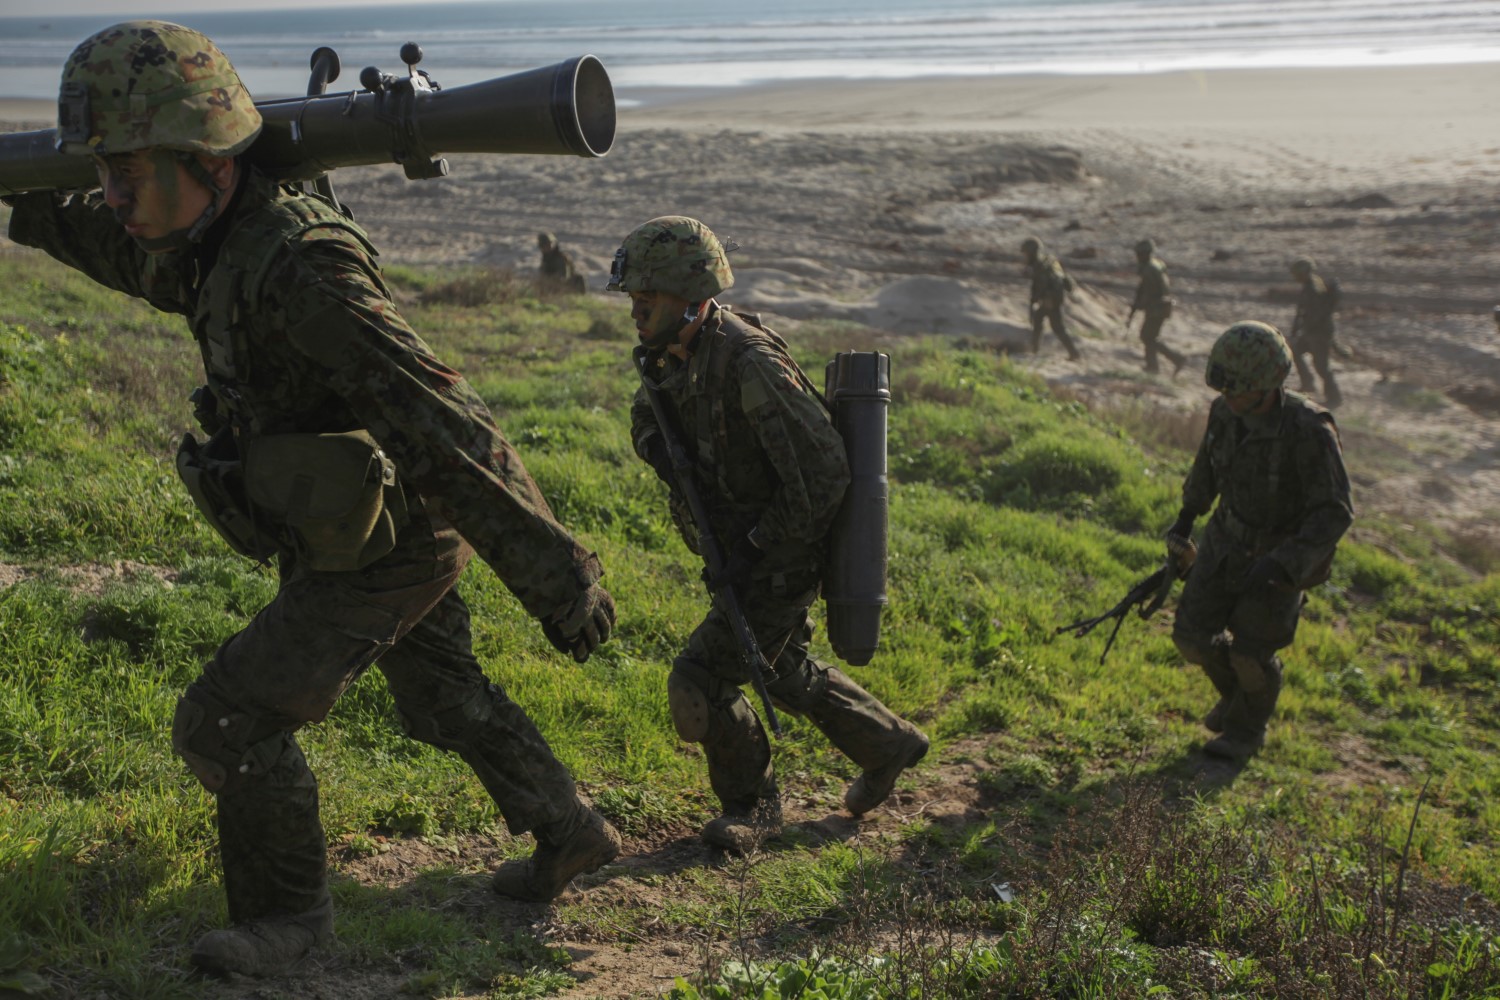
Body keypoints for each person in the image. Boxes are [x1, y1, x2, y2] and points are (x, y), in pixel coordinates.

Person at [6, 21, 621, 976]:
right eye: (102, 169)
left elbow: (443, 421)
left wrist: (560, 575)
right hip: (362, 523)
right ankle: (570, 829)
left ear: (206, 157)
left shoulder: (300, 268)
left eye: (129, 171)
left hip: (389, 542)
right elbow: (118, 247)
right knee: (444, 699)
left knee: (228, 719)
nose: (113, 195)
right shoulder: (207, 235)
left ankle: (289, 923)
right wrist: (31, 205)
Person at [609, 216, 929, 853]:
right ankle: (888, 743)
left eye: (651, 295)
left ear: (693, 296)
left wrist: (753, 552)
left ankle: (753, 808)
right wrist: (656, 447)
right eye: (634, 296)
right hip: (739, 551)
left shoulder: (748, 364)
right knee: (779, 667)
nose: (637, 308)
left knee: (700, 678)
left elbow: (823, 473)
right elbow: (650, 409)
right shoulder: (673, 351)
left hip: (779, 555)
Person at [1166, 321, 1353, 764]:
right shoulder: (1224, 412)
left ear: (1269, 385)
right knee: (1191, 637)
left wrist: (1285, 563)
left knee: (1251, 654)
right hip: (1224, 540)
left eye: (1239, 391)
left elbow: (1335, 511)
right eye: (1224, 391)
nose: (1229, 401)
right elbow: (1206, 471)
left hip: (1277, 559)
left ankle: (1246, 731)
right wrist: (1186, 518)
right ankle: (1238, 698)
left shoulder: (1310, 429)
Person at [1288, 257, 1343, 407]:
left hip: (1319, 333)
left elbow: (1318, 313)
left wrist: (1307, 329)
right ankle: (1308, 383)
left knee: (1321, 366)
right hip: (1312, 332)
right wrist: (1296, 331)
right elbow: (1301, 312)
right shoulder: (1309, 286)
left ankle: (1334, 398)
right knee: (1295, 349)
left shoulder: (1314, 288)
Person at [1129, 238, 1187, 375]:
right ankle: (1154, 365)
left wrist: (1139, 305)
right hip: (1160, 306)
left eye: (1139, 254)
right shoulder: (1156, 264)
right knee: (1149, 336)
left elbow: (1149, 292)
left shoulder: (1149, 269)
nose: (1138, 257)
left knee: (1147, 337)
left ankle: (1173, 360)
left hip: (1157, 307)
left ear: (1145, 253)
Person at [1020, 236, 1081, 360]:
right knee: (1040, 321)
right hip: (1053, 299)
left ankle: (1073, 353)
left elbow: (1040, 287)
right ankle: (1035, 349)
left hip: (1051, 301)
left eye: (1026, 254)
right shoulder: (1048, 262)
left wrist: (1035, 300)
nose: (1025, 257)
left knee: (1056, 327)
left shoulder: (1040, 267)